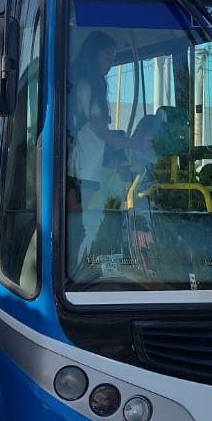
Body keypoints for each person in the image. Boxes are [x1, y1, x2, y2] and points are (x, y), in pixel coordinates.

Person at [67, 32, 146, 270]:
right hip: (82, 169)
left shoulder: (91, 85)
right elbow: (101, 132)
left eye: (113, 57)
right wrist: (135, 145)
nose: (110, 63)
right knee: (77, 225)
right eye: (106, 57)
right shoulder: (86, 85)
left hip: (91, 167)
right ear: (93, 57)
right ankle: (74, 268)